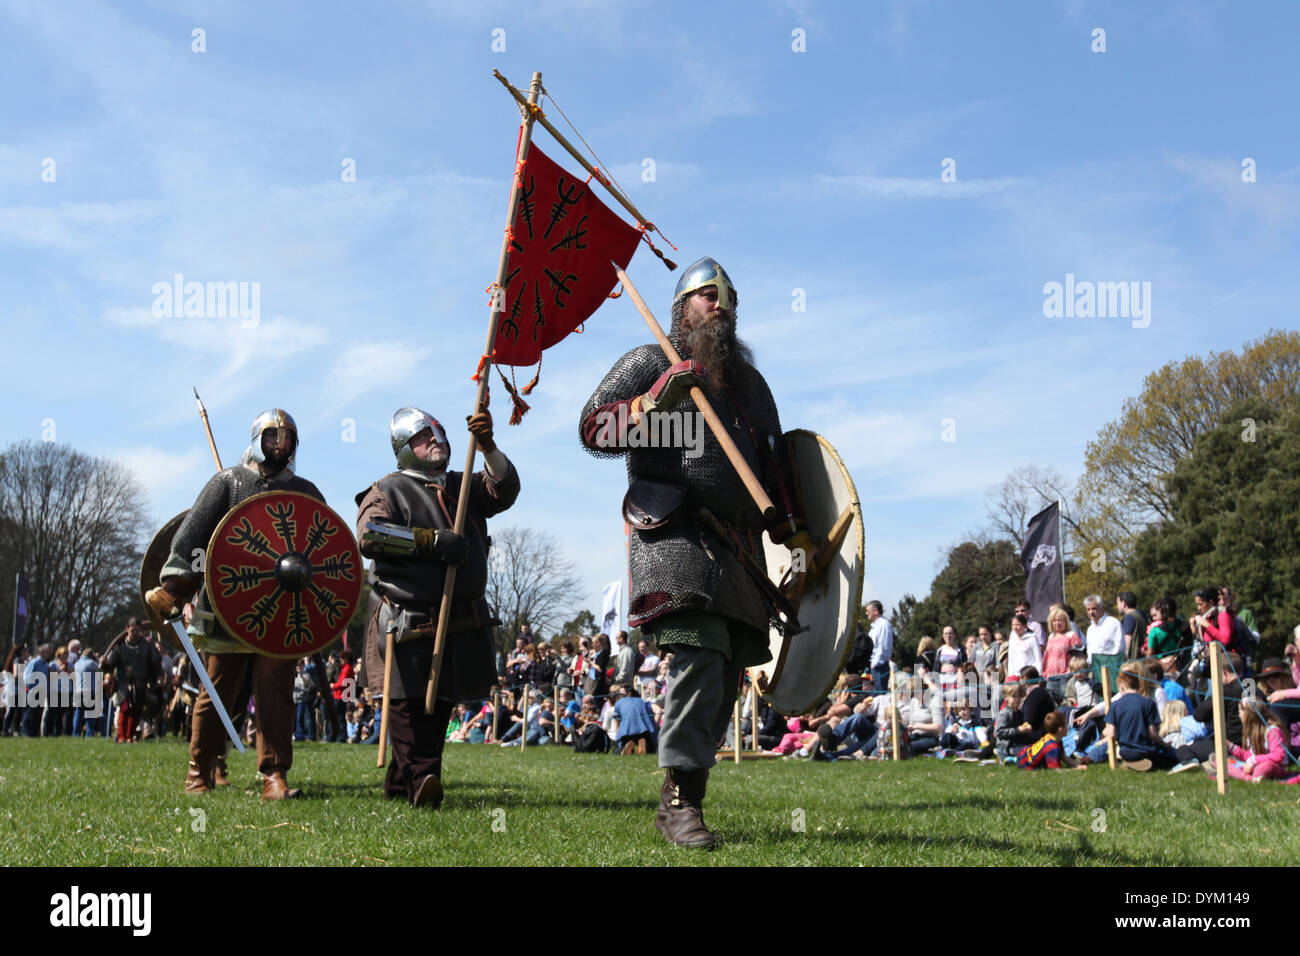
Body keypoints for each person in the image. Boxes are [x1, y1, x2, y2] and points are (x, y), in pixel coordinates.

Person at [579, 256, 807, 848]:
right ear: (683, 310)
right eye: (707, 295)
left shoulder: (752, 389)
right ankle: (681, 801)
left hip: (739, 549)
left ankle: (686, 797)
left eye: (728, 298)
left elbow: (777, 466)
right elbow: (593, 431)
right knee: (699, 660)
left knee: (727, 674)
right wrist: (656, 399)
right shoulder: (651, 361)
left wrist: (795, 534)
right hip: (676, 535)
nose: (720, 305)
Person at [145, 409, 321, 798]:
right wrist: (176, 588)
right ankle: (199, 772)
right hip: (229, 605)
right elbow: (190, 540)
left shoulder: (304, 492)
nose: (280, 444)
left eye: (288, 438)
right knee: (218, 693)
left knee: (275, 695)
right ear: (258, 438)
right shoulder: (228, 482)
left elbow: (321, 549)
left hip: (281, 611)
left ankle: (274, 776)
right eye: (273, 436)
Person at [356, 405, 519, 808]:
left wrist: (488, 446)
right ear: (403, 448)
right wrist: (429, 542)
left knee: (440, 702)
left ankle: (402, 783)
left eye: (439, 434)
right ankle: (424, 780)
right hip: (405, 618)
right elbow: (371, 536)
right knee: (409, 706)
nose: (436, 441)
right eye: (423, 437)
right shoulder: (386, 489)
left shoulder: (463, 487)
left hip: (457, 618)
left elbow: (506, 489)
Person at [101, 619, 164, 743]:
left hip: (141, 684)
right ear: (127, 629)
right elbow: (110, 667)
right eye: (133, 630)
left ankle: (130, 736)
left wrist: (159, 676)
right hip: (123, 684)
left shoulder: (147, 647)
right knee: (124, 710)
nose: (135, 633)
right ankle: (121, 736)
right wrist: (104, 664)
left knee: (137, 711)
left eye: (138, 630)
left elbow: (155, 664)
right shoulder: (119, 647)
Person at [1105, 663, 1176, 771]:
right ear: (1139, 684)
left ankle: (1130, 762)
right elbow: (1152, 734)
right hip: (1145, 750)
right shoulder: (1147, 703)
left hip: (1125, 752)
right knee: (1170, 758)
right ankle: (1144, 763)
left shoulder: (1114, 705)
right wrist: (1165, 745)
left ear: (1121, 687)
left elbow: (1111, 734)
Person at [1083, 595, 1125, 689]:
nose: (1091, 612)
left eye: (1094, 608)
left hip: (1112, 670)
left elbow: (1119, 648)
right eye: (1088, 609)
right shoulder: (1090, 629)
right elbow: (1090, 653)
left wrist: (1112, 667)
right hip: (1095, 671)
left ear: (1102, 609)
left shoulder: (1113, 623)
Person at [1017, 712, 1083, 770]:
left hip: (1024, 754)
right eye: (1066, 726)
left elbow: (1064, 757)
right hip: (1024, 763)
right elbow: (1056, 770)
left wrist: (1077, 764)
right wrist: (1076, 769)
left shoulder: (1052, 737)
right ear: (1060, 730)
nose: (1067, 728)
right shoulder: (1052, 747)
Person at [1116, 591, 1147, 661]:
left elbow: (1127, 641)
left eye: (1118, 603)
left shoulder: (1128, 618)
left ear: (1124, 603)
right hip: (1144, 658)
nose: (1117, 607)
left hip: (1135, 660)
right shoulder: (1142, 614)